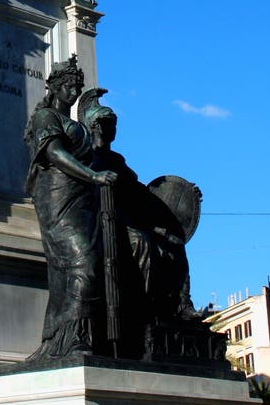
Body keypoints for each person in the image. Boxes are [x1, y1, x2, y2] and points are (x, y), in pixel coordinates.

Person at [80, 91, 199, 355]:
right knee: (142, 243)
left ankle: (181, 305)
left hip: (129, 218)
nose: (114, 130)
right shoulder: (88, 157)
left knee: (174, 242)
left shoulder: (117, 161)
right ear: (97, 126)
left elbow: (141, 195)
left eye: (115, 124)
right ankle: (143, 315)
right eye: (110, 124)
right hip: (104, 223)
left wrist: (187, 197)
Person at [24, 57, 116, 359]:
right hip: (57, 201)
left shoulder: (77, 125)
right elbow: (54, 152)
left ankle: (78, 338)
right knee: (82, 263)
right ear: (56, 87)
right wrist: (93, 175)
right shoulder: (45, 118)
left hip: (83, 201)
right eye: (70, 86)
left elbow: (95, 156)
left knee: (90, 263)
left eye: (78, 86)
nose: (75, 91)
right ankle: (68, 338)